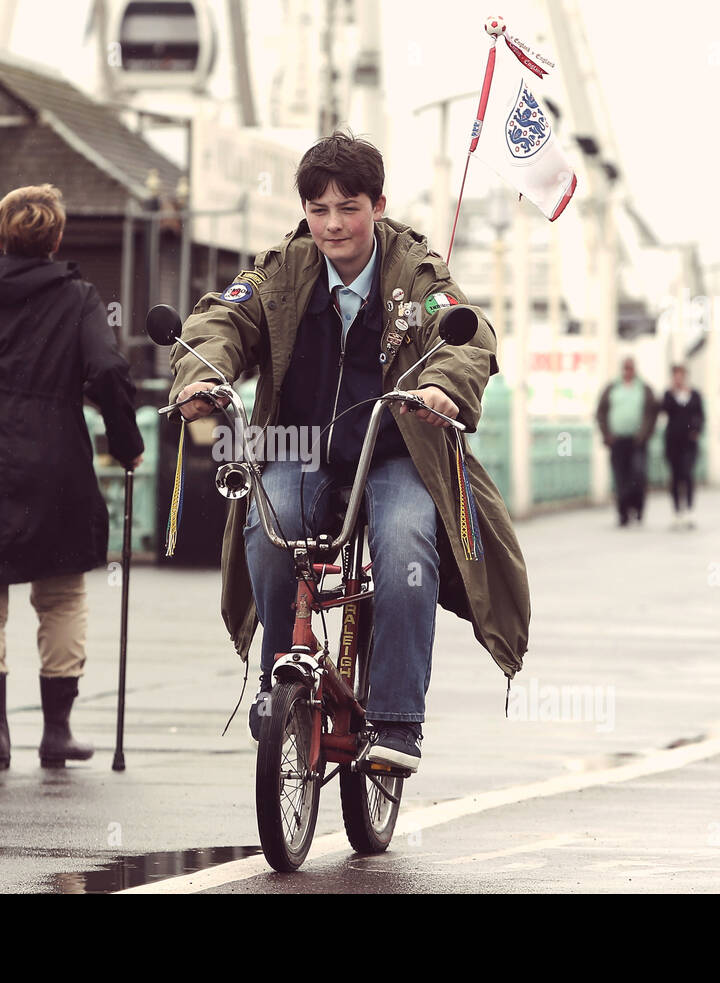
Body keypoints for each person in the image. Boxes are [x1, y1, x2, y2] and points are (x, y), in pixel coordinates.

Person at [168, 132, 530, 774]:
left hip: (395, 450)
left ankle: (396, 722)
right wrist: (202, 372)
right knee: (266, 531)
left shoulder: (417, 272)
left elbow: (469, 336)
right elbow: (221, 320)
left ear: (379, 205)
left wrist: (442, 387)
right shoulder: (281, 269)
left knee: (406, 544)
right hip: (298, 446)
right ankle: (279, 680)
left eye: (349, 207)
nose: (333, 224)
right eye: (318, 209)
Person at [0, 184, 144, 771]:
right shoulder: (77, 298)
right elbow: (106, 369)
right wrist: (126, 443)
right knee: (61, 594)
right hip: (55, 450)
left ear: (0, 236)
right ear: (56, 238)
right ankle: (57, 732)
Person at [595, 357, 659, 526]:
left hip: (638, 441)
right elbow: (601, 412)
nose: (628, 371)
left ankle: (638, 507)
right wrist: (606, 434)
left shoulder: (644, 388)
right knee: (620, 477)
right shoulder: (612, 388)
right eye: (625, 368)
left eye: (631, 368)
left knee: (638, 474)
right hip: (617, 440)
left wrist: (645, 433)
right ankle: (623, 512)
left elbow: (653, 412)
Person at [659, 364, 705, 529]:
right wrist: (671, 393)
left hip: (689, 442)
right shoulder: (668, 394)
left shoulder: (694, 395)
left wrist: (697, 430)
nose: (678, 379)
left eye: (681, 375)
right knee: (675, 476)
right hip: (673, 442)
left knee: (687, 474)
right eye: (675, 376)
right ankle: (677, 512)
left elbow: (701, 415)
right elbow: (663, 410)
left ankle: (690, 510)